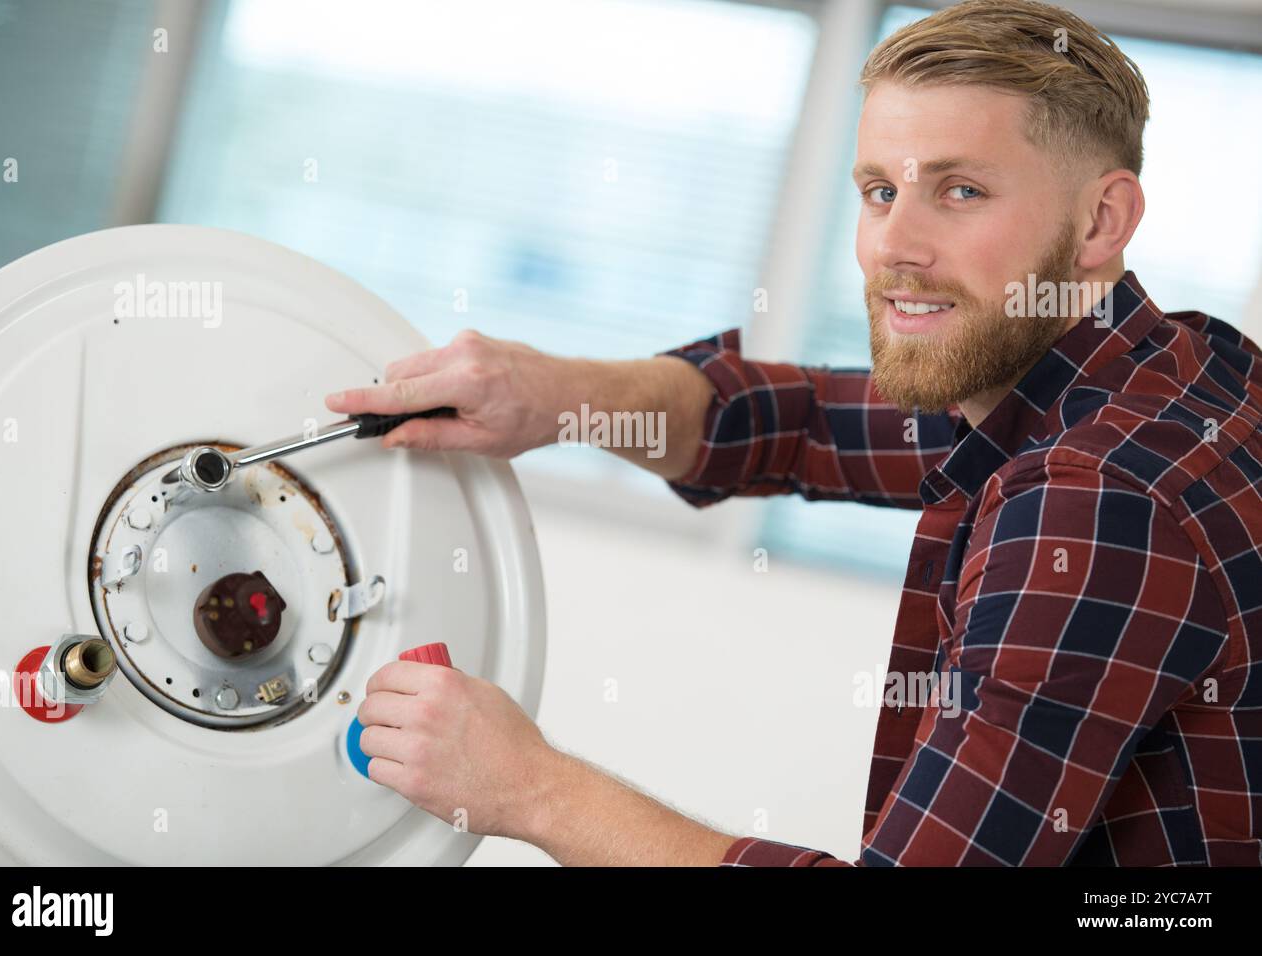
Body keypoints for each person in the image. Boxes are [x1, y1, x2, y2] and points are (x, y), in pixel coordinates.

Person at [328, 0, 1262, 865]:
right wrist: (555, 393)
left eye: (962, 191)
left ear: (1103, 220)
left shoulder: (1097, 499)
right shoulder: (1184, 368)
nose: (894, 244)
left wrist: (526, 789)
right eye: (877, 191)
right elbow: (800, 423)